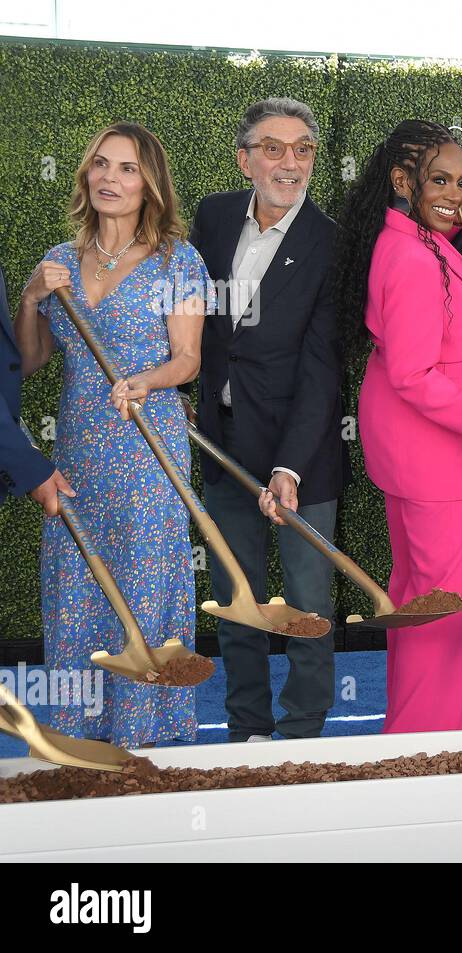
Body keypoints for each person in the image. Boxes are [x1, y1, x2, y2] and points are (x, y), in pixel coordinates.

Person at [15, 122, 207, 746]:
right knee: (77, 592)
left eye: (126, 169)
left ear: (150, 183)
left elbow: (187, 360)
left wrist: (146, 381)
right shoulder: (59, 261)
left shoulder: (180, 259)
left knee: (143, 589)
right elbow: (32, 357)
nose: (110, 179)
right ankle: (79, 742)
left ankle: (145, 740)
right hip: (78, 450)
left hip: (148, 449)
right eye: (101, 165)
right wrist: (29, 297)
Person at [335, 120, 462, 733]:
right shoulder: (414, 257)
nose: (455, 193)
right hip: (437, 458)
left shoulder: (422, 242)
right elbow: (416, 375)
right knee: (441, 616)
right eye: (438, 180)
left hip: (426, 455)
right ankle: (428, 755)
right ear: (402, 181)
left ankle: (411, 749)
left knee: (421, 606)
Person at [190, 98, 348, 743]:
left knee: (309, 603)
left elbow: (322, 368)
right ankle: (248, 729)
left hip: (302, 454)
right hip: (223, 444)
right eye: (274, 148)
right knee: (237, 600)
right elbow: (195, 321)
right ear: (244, 158)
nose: (291, 162)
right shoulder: (215, 216)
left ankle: (304, 733)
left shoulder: (334, 244)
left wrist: (289, 466)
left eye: (303, 149)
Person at [2, 262, 71, 513]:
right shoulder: (62, 258)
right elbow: (28, 361)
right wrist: (27, 465)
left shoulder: (178, 259)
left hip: (150, 437)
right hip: (76, 442)